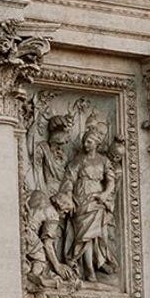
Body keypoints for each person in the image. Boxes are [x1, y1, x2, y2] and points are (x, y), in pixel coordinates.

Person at [59, 119, 117, 281]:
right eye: (84, 141)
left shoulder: (104, 161)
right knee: (84, 236)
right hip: (81, 199)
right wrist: (69, 195)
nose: (86, 144)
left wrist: (105, 194)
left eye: (89, 141)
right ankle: (89, 268)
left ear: (97, 143)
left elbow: (111, 180)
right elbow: (69, 179)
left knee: (99, 235)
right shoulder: (78, 161)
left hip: (97, 199)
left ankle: (98, 262)